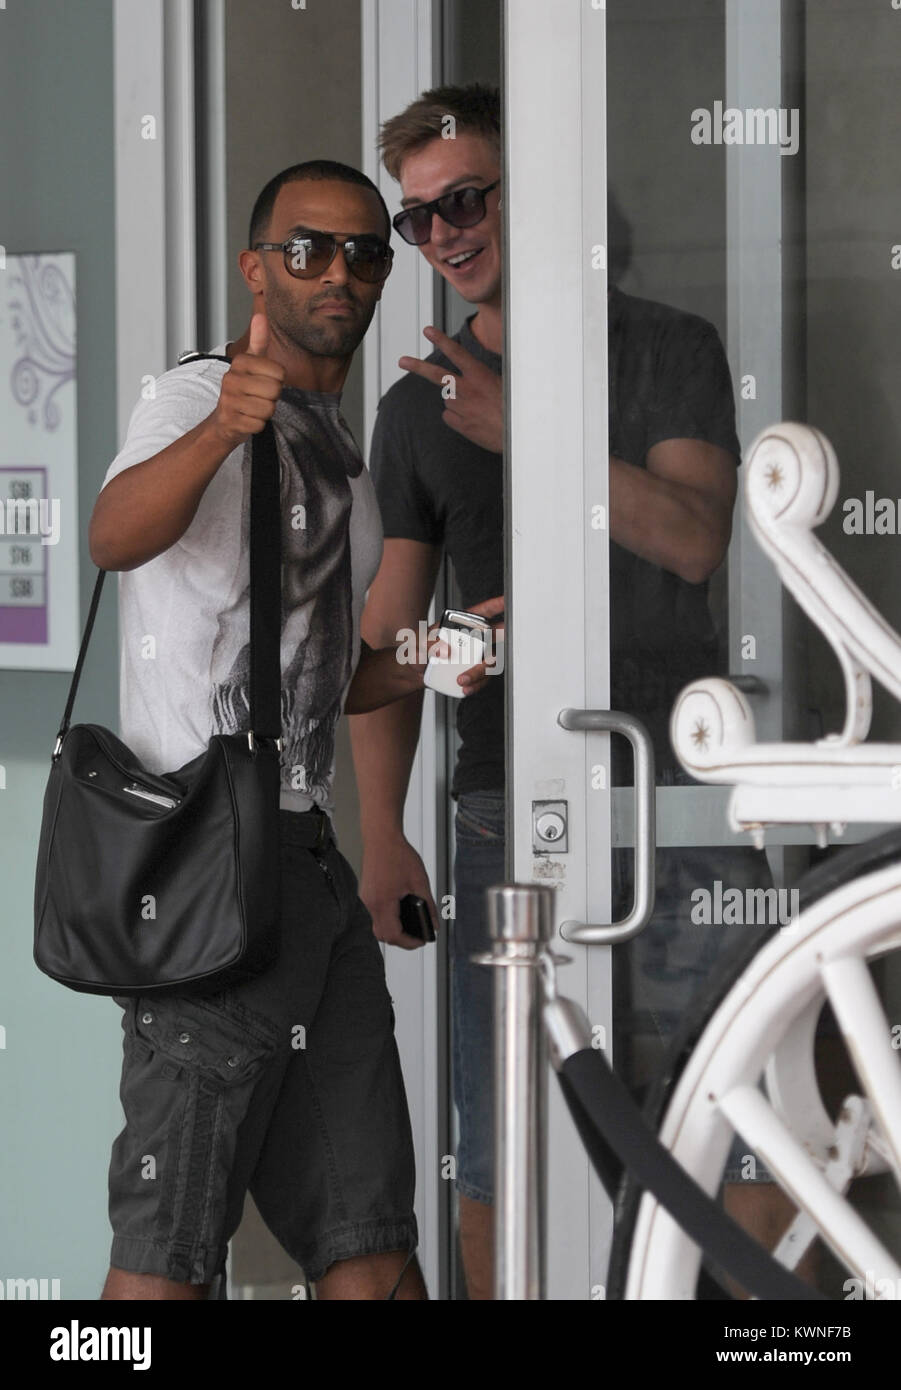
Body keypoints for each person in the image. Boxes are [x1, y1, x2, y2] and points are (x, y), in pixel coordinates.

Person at [349, 84, 778, 1300]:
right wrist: (382, 832)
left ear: (531, 192)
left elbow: (694, 538)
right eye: (418, 219)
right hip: (505, 808)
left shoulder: (666, 346)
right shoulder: (414, 407)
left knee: (738, 1120)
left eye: (466, 200)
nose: (445, 235)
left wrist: (525, 427)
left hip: (682, 794)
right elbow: (384, 644)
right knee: (499, 1154)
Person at [88, 159, 490, 1301]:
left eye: (366, 251)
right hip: (208, 876)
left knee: (371, 1250)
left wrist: (433, 651)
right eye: (308, 248)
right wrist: (221, 427)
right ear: (256, 267)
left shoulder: (343, 454)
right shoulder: (194, 396)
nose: (341, 273)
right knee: (162, 1269)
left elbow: (326, 679)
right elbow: (113, 537)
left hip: (308, 877)